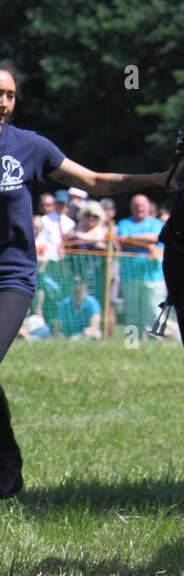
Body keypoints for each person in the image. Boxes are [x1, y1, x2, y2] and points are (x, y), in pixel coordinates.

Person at [0, 61, 170, 497]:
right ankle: (7, 465)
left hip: (11, 278)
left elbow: (92, 180)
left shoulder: (28, 147)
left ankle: (5, 467)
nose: (3, 103)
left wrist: (153, 179)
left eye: (10, 95)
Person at [116, 194, 165, 338]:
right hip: (129, 276)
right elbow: (121, 240)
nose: (139, 209)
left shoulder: (156, 223)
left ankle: (156, 343)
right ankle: (132, 343)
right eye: (136, 206)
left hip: (152, 277)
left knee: (153, 311)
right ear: (131, 208)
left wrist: (130, 239)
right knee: (132, 313)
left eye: (142, 205)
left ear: (148, 207)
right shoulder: (124, 223)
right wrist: (146, 242)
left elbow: (155, 237)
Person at [56, 274, 102, 339]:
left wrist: (78, 336)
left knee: (96, 335)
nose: (78, 289)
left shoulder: (92, 303)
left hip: (86, 334)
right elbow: (57, 327)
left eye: (81, 289)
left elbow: (94, 327)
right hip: (68, 335)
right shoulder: (64, 304)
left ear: (85, 289)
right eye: (76, 291)